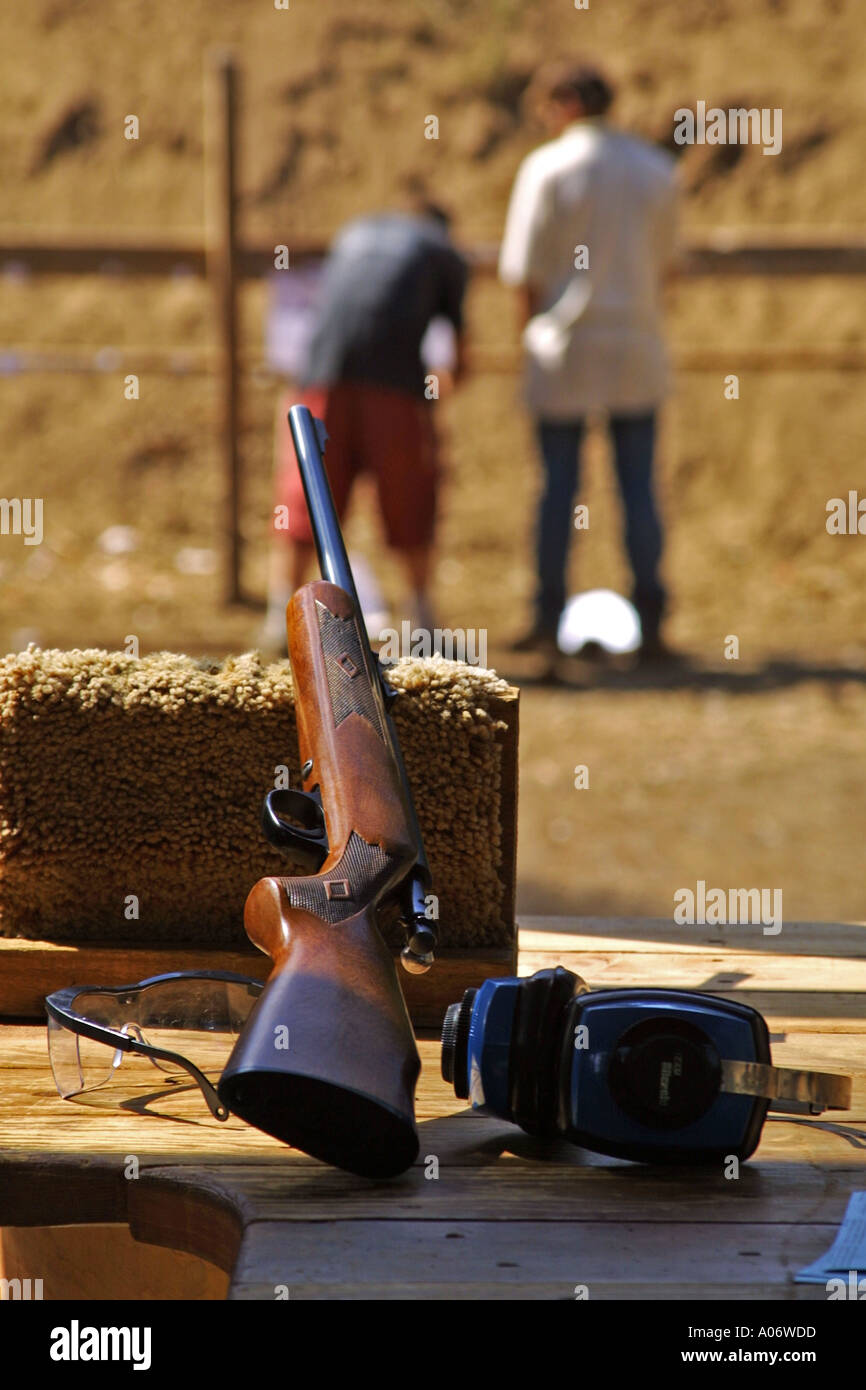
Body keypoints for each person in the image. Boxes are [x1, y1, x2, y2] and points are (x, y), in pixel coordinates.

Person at [499, 60, 679, 662]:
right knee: (638, 488)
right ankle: (651, 620)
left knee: (557, 489)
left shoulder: (547, 167)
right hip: (635, 341)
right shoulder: (655, 170)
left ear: (568, 101)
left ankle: (548, 620)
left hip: (565, 348)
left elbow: (523, 273)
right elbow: (668, 267)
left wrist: (527, 334)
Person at [264, 197, 468, 645]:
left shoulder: (354, 233)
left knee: (309, 492)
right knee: (408, 495)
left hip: (319, 378)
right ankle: (422, 615)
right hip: (394, 387)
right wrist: (438, 400)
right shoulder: (445, 253)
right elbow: (458, 352)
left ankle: (278, 616)